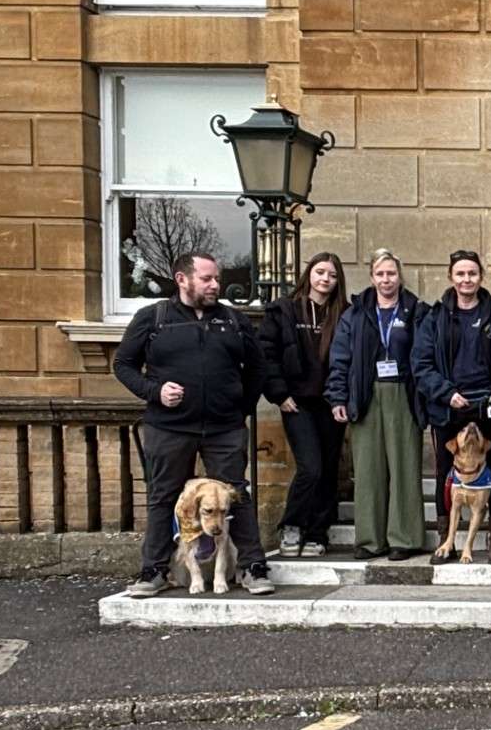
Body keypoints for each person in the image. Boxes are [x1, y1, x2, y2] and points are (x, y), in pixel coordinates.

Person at [114, 251, 274, 597]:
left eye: (216, 278)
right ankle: (154, 571)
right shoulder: (153, 318)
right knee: (163, 496)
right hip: (169, 426)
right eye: (206, 279)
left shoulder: (234, 321)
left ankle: (252, 567)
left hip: (224, 427)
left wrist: (239, 408)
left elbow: (258, 369)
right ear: (182, 279)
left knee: (237, 494)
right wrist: (154, 391)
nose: (215, 284)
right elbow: (123, 365)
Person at [412, 249, 491, 565]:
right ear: (451, 277)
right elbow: (421, 365)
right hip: (449, 408)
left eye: (472, 273)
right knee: (445, 474)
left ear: (481, 277)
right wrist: (445, 393)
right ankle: (445, 540)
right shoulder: (435, 318)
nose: (467, 279)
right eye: (461, 273)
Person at [326, 249, 427, 562]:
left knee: (404, 467)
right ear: (372, 277)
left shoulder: (415, 310)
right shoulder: (355, 314)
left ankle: (405, 538)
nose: (386, 280)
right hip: (365, 393)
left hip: (402, 393)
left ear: (400, 276)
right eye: (381, 274)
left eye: (391, 274)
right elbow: (340, 357)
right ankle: (370, 539)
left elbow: (424, 355)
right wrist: (338, 396)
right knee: (368, 469)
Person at [260, 252, 346, 557]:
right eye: (320, 272)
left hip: (332, 404)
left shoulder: (343, 313)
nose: (325, 279)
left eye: (332, 275)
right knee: (310, 467)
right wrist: (279, 395)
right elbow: (267, 355)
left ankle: (317, 533)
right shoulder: (284, 310)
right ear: (309, 273)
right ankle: (293, 524)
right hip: (297, 403)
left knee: (328, 469)